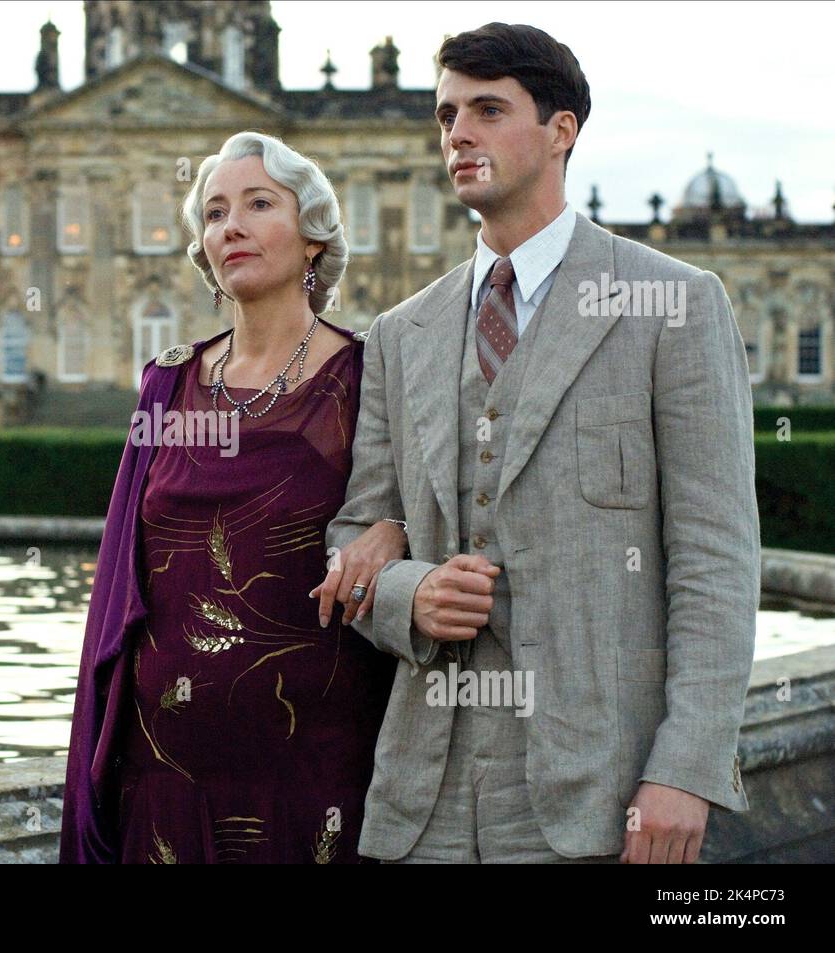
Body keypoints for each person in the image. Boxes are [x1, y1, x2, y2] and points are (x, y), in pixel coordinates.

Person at [320, 22, 759, 863]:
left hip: (600, 793)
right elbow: (356, 535)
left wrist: (686, 770)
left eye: (488, 109)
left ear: (562, 129)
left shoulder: (675, 303)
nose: (459, 134)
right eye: (447, 115)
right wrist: (408, 593)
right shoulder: (401, 333)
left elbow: (716, 560)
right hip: (425, 800)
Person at [60, 131, 404, 863]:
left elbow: (428, 512)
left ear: (314, 239)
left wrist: (396, 528)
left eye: (257, 204)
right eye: (214, 214)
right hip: (159, 776)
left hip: (316, 771)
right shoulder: (166, 381)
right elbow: (118, 586)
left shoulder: (373, 375)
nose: (231, 226)